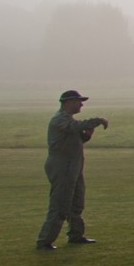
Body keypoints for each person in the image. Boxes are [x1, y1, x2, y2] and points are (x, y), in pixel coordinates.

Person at [37, 89, 109, 250]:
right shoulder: (59, 119)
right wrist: (98, 120)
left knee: (76, 203)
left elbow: (73, 139)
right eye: (79, 101)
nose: (81, 104)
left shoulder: (66, 120)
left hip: (73, 166)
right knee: (60, 204)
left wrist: (86, 136)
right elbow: (75, 126)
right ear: (69, 102)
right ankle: (44, 241)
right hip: (62, 167)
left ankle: (76, 235)